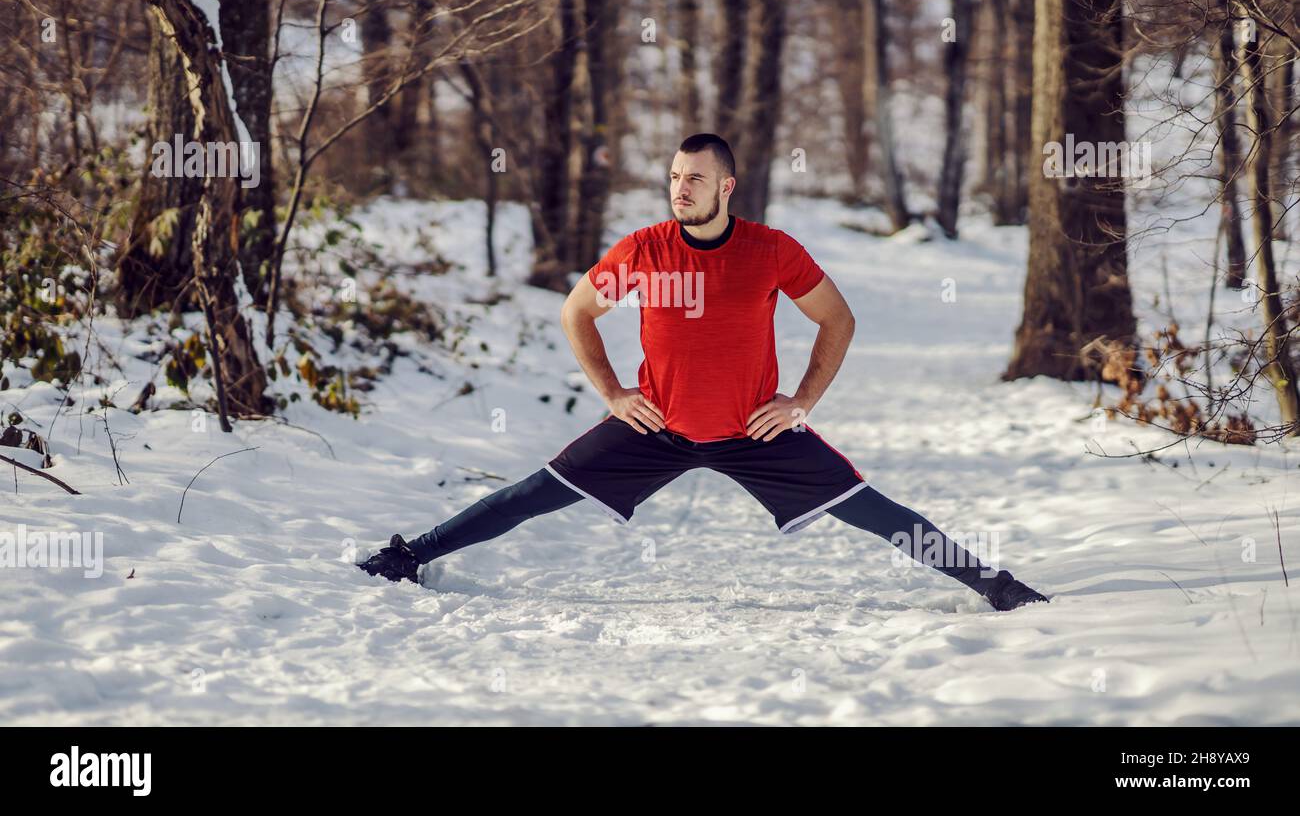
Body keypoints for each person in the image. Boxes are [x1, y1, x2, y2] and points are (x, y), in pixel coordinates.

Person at [359, 133, 1049, 612]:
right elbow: (577, 313)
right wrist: (614, 392)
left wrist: (800, 401)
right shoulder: (644, 249)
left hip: (754, 431)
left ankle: (995, 585)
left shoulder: (771, 251)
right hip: (655, 427)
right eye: (672, 177)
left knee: (874, 511)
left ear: (726, 185)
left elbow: (837, 320)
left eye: (693, 178)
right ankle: (409, 556)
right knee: (533, 494)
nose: (679, 188)